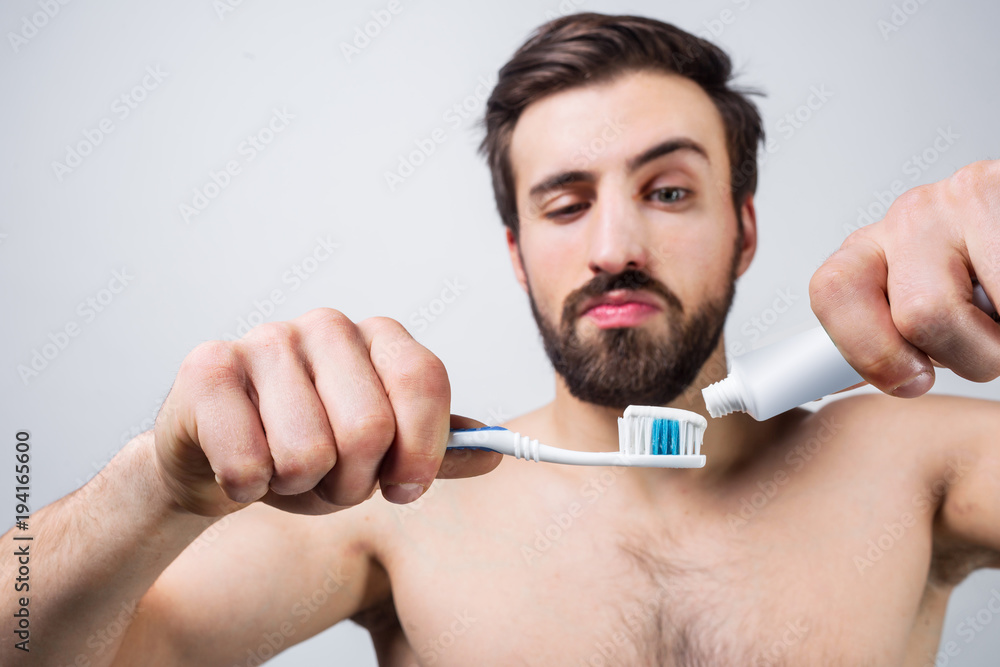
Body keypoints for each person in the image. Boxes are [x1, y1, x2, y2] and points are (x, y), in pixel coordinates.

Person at [5, 12, 999, 667]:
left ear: (742, 227)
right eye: (566, 205)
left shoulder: (919, 461)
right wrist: (151, 490)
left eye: (667, 192)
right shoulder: (403, 505)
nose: (614, 247)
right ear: (518, 255)